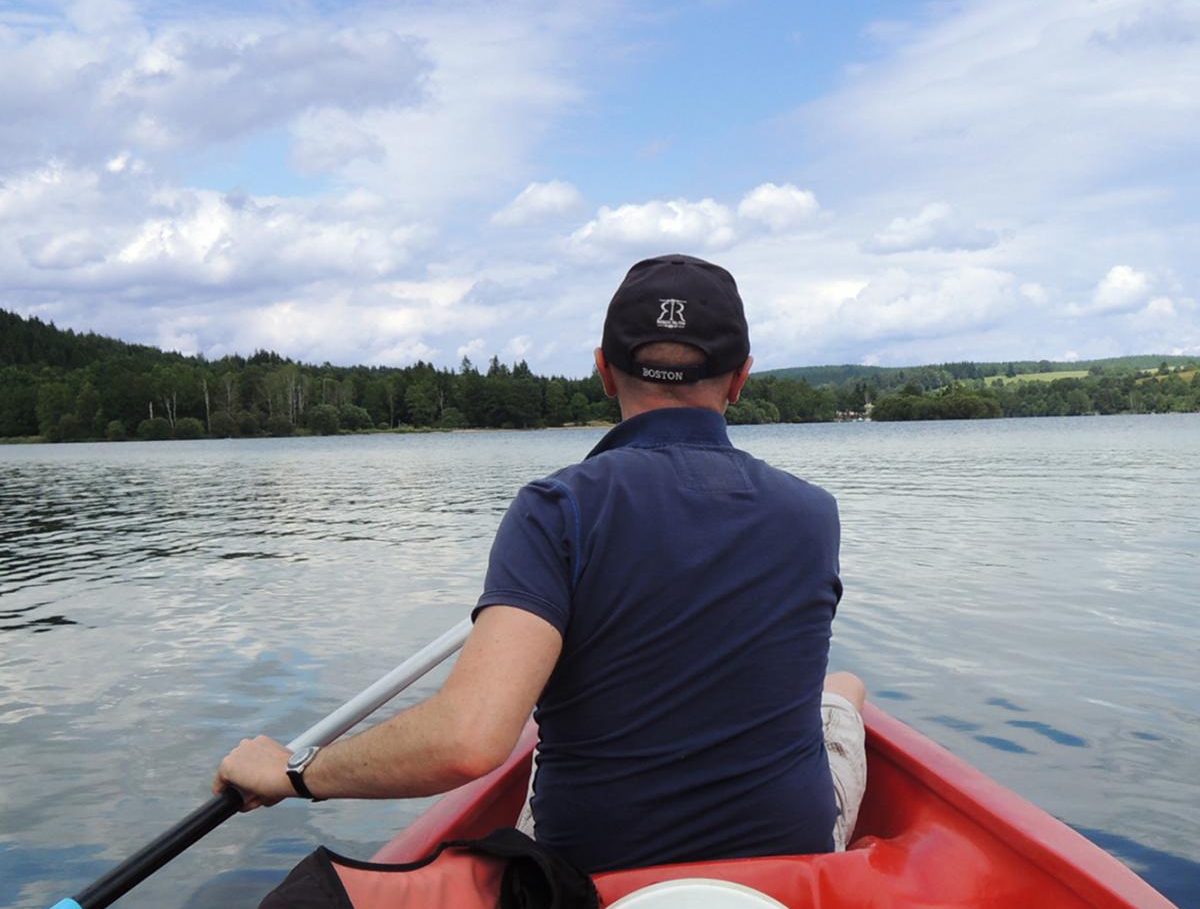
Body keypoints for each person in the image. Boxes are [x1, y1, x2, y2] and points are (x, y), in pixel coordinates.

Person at [215, 254, 867, 871]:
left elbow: (469, 740)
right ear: (743, 378)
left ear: (603, 371)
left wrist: (296, 771)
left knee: (532, 726)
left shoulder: (556, 508)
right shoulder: (813, 513)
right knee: (843, 689)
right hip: (789, 863)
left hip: (591, 876)